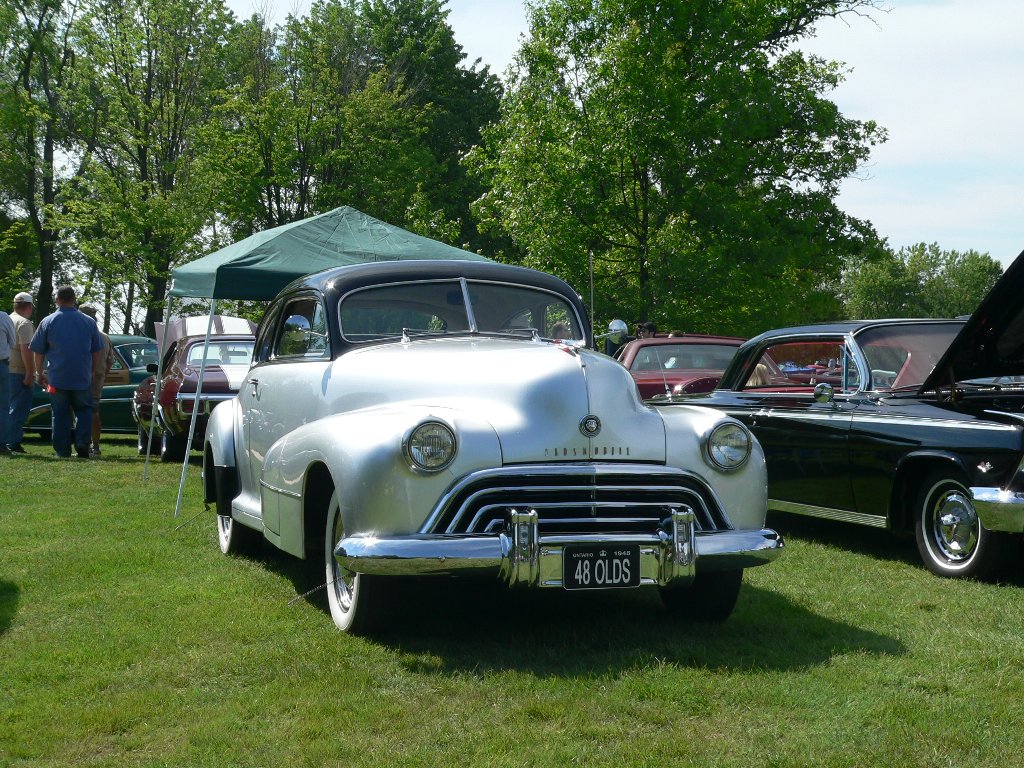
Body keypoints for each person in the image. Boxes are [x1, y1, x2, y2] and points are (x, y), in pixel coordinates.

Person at [29, 286, 104, 458]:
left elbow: (38, 350)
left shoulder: (48, 321)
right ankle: (82, 443)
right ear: (74, 299)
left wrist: (39, 372)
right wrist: (92, 371)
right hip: (82, 377)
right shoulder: (89, 322)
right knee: (84, 410)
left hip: (56, 378)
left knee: (60, 413)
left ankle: (62, 450)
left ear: (57, 300)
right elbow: (97, 351)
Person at [80, 306, 114, 456]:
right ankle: (96, 446)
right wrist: (102, 375)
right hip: (97, 380)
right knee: (94, 412)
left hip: (81, 378)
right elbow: (110, 361)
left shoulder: (82, 335)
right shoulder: (104, 336)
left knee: (80, 412)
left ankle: (84, 445)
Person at [7, 292, 35, 453]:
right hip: (18, 372)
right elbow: (26, 349)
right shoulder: (24, 323)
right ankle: (12, 442)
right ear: (29, 306)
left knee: (5, 408)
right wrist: (30, 372)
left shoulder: (6, 320)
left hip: (5, 369)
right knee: (18, 409)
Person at [0, 303, 15, 457]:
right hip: (1, 365)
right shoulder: (3, 317)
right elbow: (13, 342)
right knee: (3, 407)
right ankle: (2, 444)